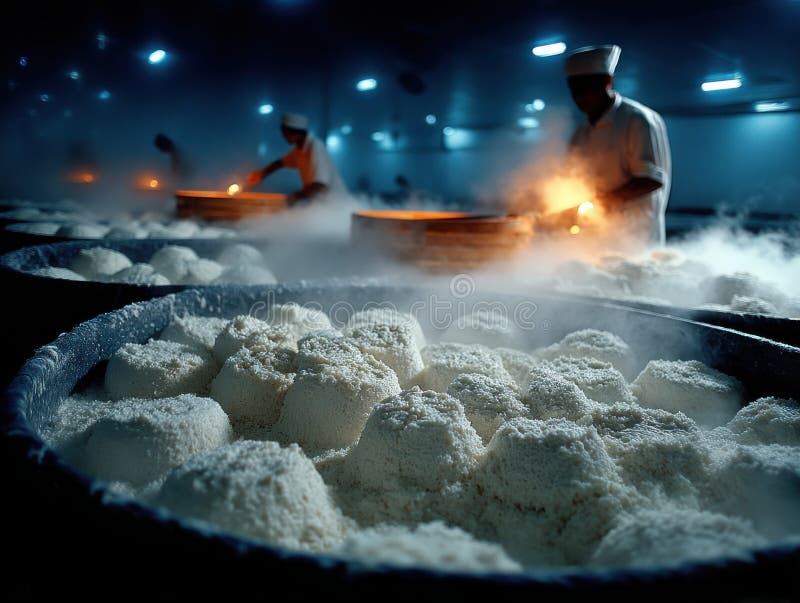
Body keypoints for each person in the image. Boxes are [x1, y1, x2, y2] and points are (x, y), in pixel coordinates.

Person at [565, 44, 671, 247]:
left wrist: (597, 202)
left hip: (636, 240)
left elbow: (651, 180)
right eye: (574, 90)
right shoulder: (580, 134)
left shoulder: (637, 120)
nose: (579, 97)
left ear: (607, 82)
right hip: (595, 240)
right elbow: (571, 181)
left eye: (585, 89)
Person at [246, 113, 346, 205]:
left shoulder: (316, 147)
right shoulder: (298, 150)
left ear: (296, 132)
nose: (284, 136)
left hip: (334, 205)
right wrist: (262, 174)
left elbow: (319, 184)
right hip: (320, 206)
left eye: (285, 133)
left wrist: (295, 196)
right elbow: (280, 163)